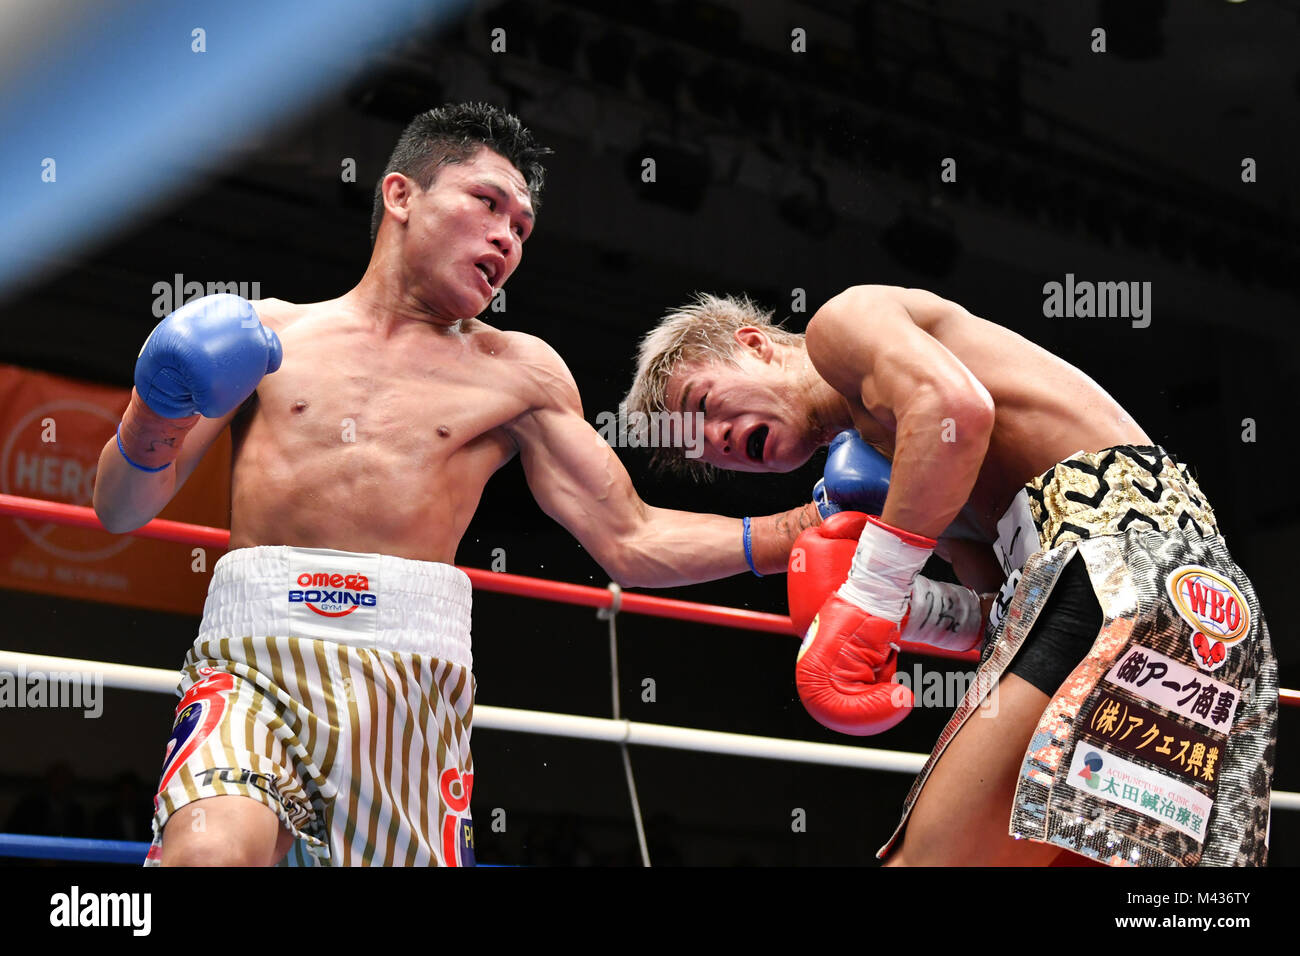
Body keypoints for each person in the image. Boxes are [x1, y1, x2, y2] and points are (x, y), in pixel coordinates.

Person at [92, 104, 819, 867]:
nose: (508, 236)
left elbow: (629, 538)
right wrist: (154, 411)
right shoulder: (267, 335)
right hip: (250, 662)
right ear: (402, 196)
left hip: (408, 686)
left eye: (523, 228)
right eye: (488, 203)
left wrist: (792, 533)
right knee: (204, 855)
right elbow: (119, 507)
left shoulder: (519, 372)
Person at [623, 287, 1276, 866]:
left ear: (756, 346)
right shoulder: (916, 479)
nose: (722, 438)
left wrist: (871, 594)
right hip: (1208, 612)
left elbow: (956, 411)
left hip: (1111, 572)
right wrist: (907, 613)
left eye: (705, 403)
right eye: (708, 448)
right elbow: (997, 612)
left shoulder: (841, 326)